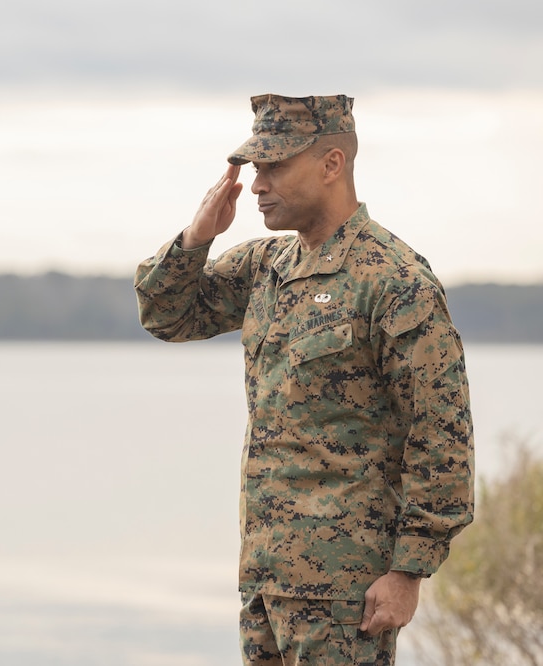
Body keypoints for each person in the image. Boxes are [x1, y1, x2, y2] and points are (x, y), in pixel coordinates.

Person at [134, 94, 474, 664]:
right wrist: (197, 238)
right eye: (255, 168)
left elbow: (442, 434)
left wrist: (408, 571)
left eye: (274, 166)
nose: (259, 184)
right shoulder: (266, 266)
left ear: (331, 164)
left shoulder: (393, 280)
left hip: (347, 594)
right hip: (265, 581)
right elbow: (168, 316)